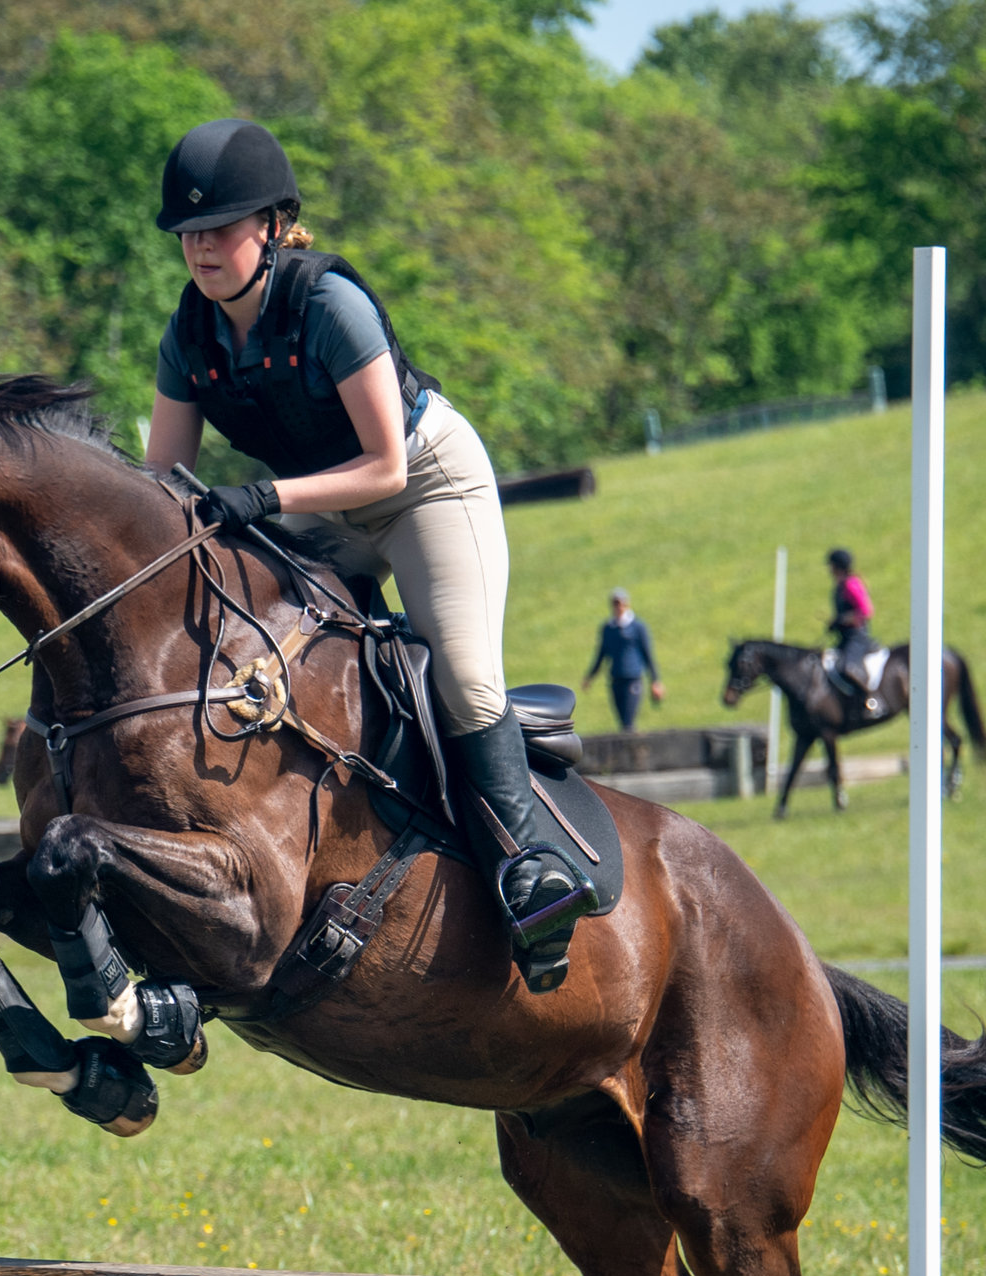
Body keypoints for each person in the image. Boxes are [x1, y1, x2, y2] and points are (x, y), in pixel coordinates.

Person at [143, 118, 592, 991]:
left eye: (220, 227)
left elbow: (386, 464)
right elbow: (163, 482)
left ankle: (530, 867)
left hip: (425, 485)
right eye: (188, 232)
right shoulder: (188, 334)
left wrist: (262, 499)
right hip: (324, 508)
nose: (200, 246)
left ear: (273, 226)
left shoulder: (327, 304)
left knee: (463, 675)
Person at [581, 589, 663, 732]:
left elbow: (648, 654)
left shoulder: (637, 627)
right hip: (616, 679)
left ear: (627, 604)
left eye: (621, 604)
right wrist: (590, 676)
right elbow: (601, 654)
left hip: (633, 678)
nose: (618, 607)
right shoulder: (608, 628)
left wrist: (655, 681)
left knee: (628, 721)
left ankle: (631, 744)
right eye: (615, 604)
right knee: (622, 722)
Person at [826, 548, 878, 702]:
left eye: (831, 565)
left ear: (837, 566)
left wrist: (842, 620)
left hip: (857, 637)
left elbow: (866, 611)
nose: (829, 569)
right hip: (844, 638)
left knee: (848, 667)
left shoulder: (851, 584)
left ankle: (870, 699)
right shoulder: (840, 585)